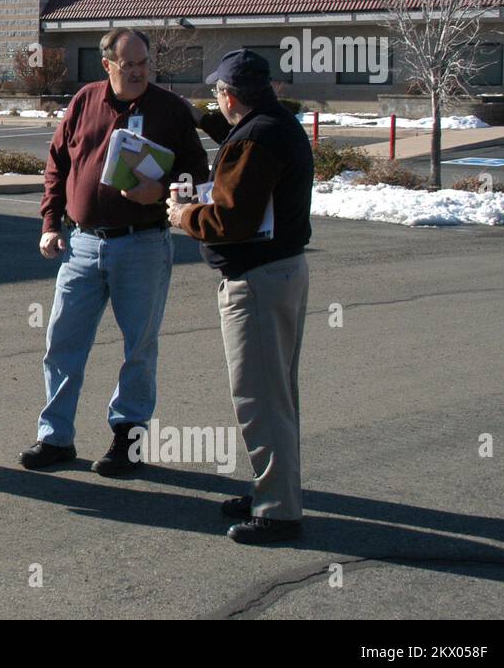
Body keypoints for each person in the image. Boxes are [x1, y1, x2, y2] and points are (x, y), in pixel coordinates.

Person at [21, 29, 210, 475]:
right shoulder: (86, 101)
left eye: (145, 62)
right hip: (82, 244)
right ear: (108, 65)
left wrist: (162, 192)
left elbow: (197, 173)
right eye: (130, 64)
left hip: (142, 243)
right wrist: (50, 223)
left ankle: (130, 440)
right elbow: (57, 165)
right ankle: (55, 438)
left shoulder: (169, 109)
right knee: (62, 343)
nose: (140, 70)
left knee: (138, 346)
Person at [166, 49, 314, 544]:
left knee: (260, 398)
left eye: (217, 95)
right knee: (277, 393)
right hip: (281, 273)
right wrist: (201, 118)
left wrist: (183, 215)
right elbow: (240, 144)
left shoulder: (256, 139)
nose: (216, 103)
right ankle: (270, 490)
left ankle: (277, 512)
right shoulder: (275, 124)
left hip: (257, 282)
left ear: (230, 95)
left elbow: (230, 221)